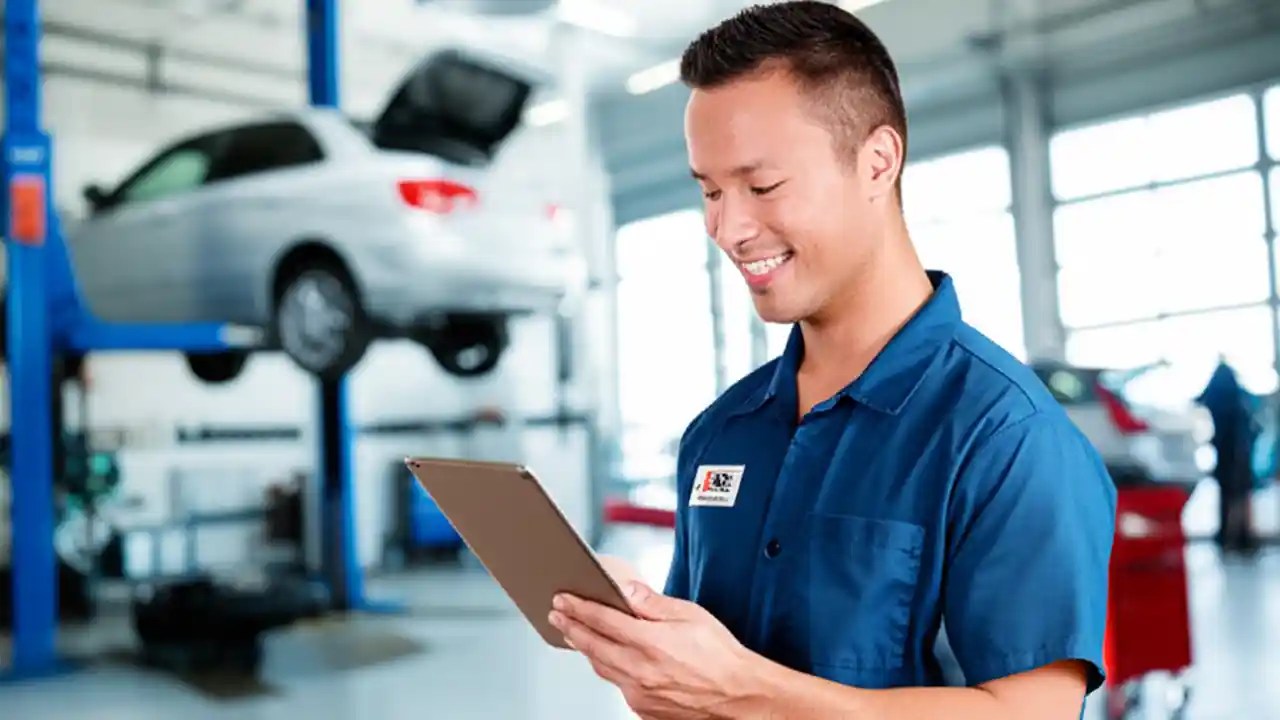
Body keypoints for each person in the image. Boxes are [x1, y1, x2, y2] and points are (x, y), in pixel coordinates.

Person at [547, 2, 1118, 718]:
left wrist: (745, 691)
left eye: (762, 186)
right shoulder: (721, 434)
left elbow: (1031, 714)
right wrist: (649, 657)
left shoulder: (1007, 437)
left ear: (878, 161)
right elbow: (693, 698)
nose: (728, 228)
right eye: (710, 190)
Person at [1197, 357, 1258, 555]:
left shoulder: (1216, 395)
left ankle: (1228, 537)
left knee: (1228, 497)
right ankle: (1241, 538)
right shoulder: (1239, 398)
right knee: (1240, 497)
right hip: (1240, 453)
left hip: (1225, 454)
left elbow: (1200, 400)